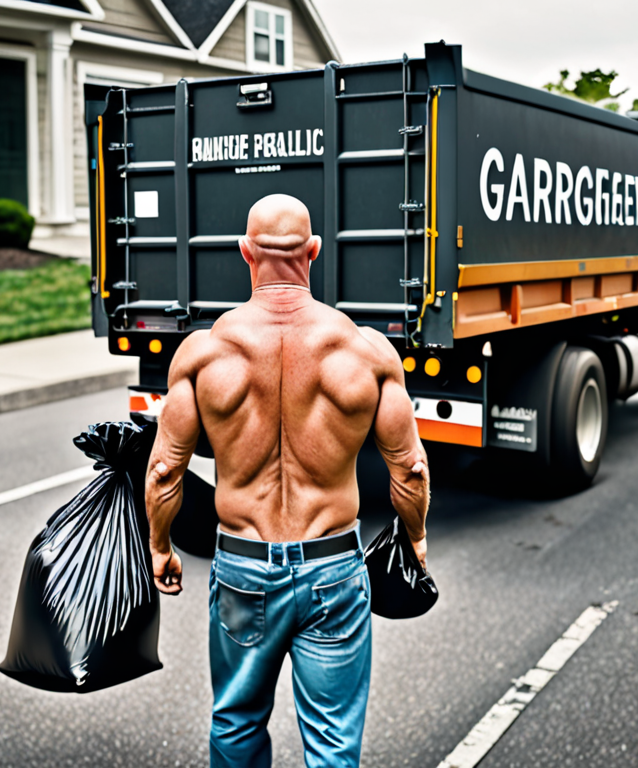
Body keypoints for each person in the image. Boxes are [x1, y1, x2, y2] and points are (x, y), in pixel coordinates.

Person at [144, 194, 429, 768]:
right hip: (333, 568)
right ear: (314, 253)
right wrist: (416, 536)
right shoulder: (365, 351)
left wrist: (159, 546)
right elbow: (411, 468)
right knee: (332, 742)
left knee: (237, 719)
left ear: (245, 252)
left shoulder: (204, 353)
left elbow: (164, 468)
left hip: (244, 566)